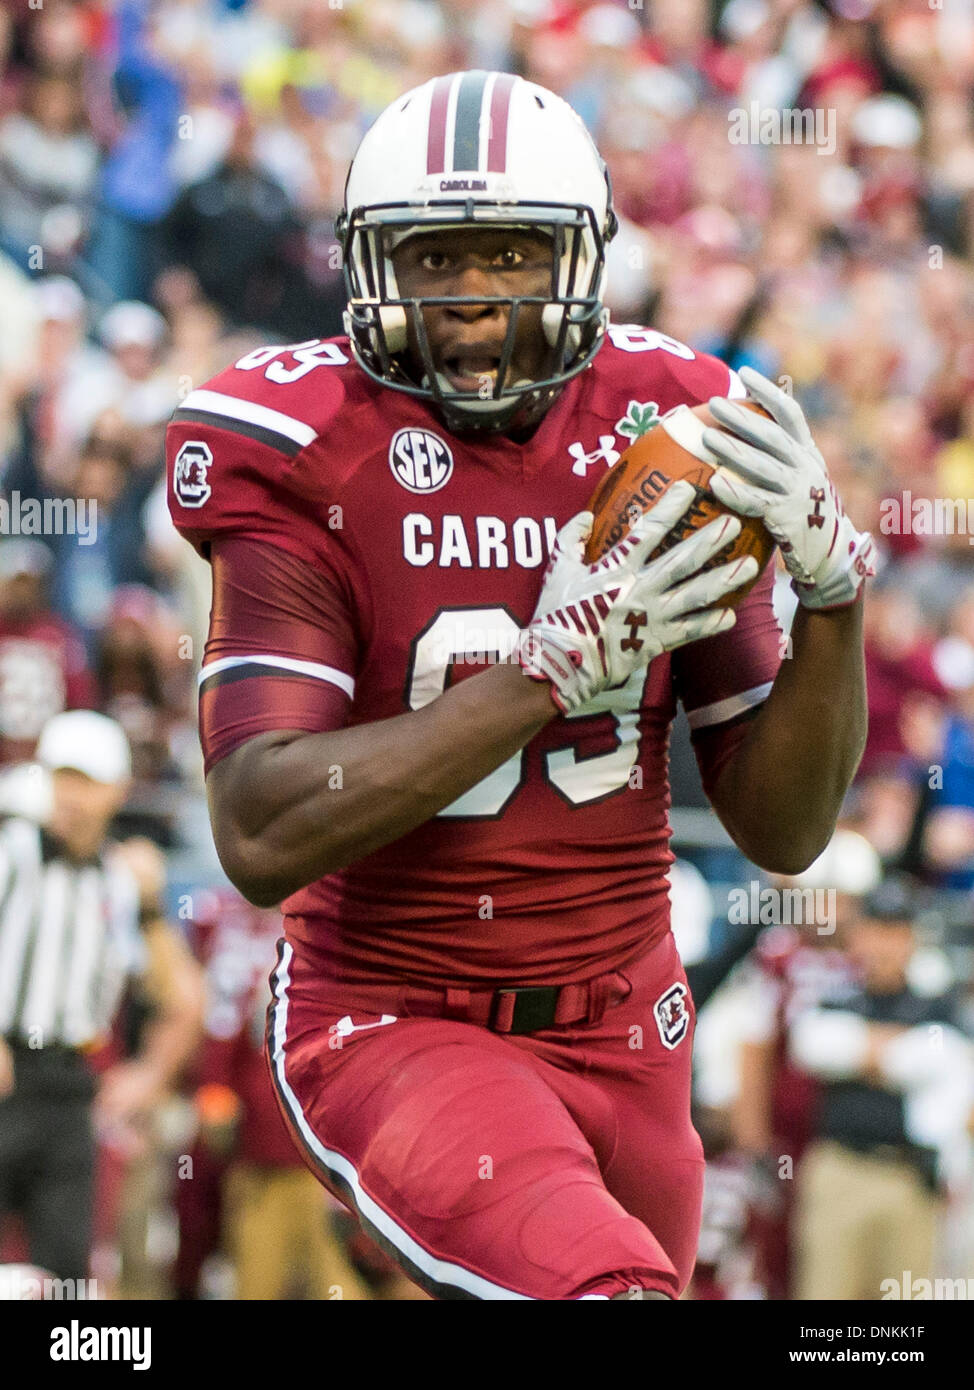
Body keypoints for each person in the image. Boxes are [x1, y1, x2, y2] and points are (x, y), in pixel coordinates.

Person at [166, 70, 875, 1301]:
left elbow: (783, 826)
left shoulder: (671, 425)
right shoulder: (303, 445)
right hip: (395, 1017)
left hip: (628, 1024)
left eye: (509, 256)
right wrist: (539, 674)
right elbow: (260, 824)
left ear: (584, 260)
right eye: (434, 261)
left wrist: (833, 603)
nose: (474, 303)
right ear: (368, 268)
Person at [0, 710, 199, 1285]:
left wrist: (150, 1073)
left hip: (71, 1089)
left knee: (67, 1280)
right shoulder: (11, 850)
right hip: (8, 1073)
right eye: (62, 777)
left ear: (116, 790)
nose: (71, 796)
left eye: (85, 780)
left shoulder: (120, 877)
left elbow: (182, 998)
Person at [788, 875, 974, 1300]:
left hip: (909, 1178)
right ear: (859, 936)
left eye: (896, 931)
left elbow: (948, 1060)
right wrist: (901, 1054)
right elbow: (812, 1046)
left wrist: (864, 1052)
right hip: (842, 1169)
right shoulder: (836, 997)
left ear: (911, 938)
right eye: (876, 930)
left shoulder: (937, 1004)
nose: (885, 944)